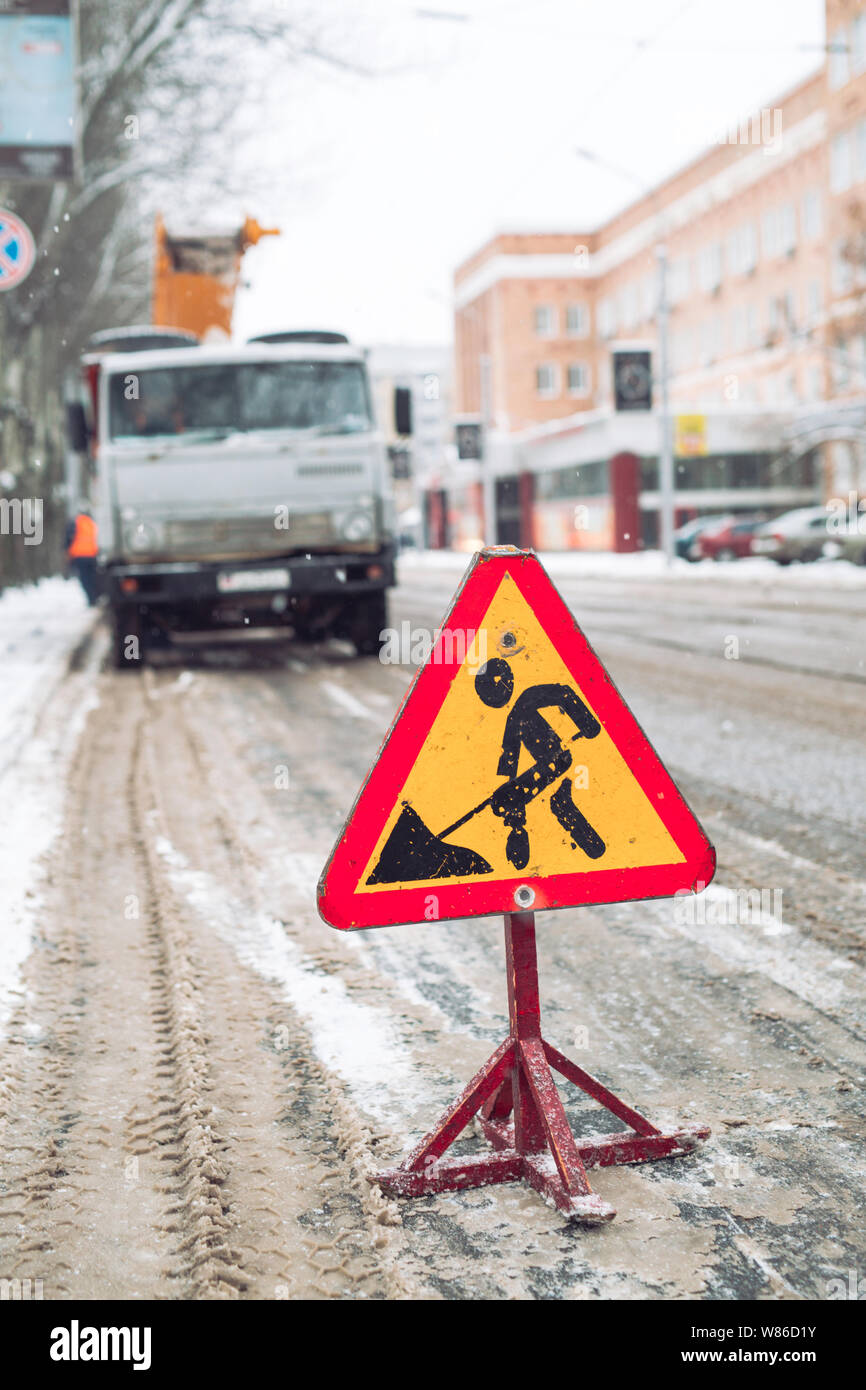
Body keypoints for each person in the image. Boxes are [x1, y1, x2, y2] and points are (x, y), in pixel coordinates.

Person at [66, 505, 100, 606]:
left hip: (80, 556)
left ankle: (91, 599)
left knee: (85, 579)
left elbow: (68, 539)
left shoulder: (75, 522)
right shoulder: (92, 523)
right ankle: (94, 597)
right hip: (92, 556)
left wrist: (67, 552)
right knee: (92, 578)